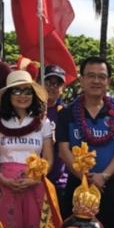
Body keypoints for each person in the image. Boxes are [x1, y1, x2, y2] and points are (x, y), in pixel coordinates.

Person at [56, 55, 114, 228]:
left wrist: (103, 176)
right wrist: (85, 176)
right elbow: (63, 150)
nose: (96, 81)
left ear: (109, 81)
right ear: (81, 80)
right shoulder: (67, 114)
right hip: (78, 185)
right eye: (91, 76)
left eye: (101, 76)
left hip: (110, 187)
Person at [0, 69, 55, 228]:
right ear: (9, 95)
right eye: (17, 91)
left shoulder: (43, 123)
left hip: (35, 186)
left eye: (27, 91)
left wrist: (35, 179)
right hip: (5, 186)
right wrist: (3, 179)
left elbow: (48, 158)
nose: (22, 96)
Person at [42, 64, 70, 195]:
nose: (52, 87)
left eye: (57, 84)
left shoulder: (66, 113)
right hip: (34, 178)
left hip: (59, 181)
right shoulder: (31, 111)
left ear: (63, 88)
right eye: (48, 82)